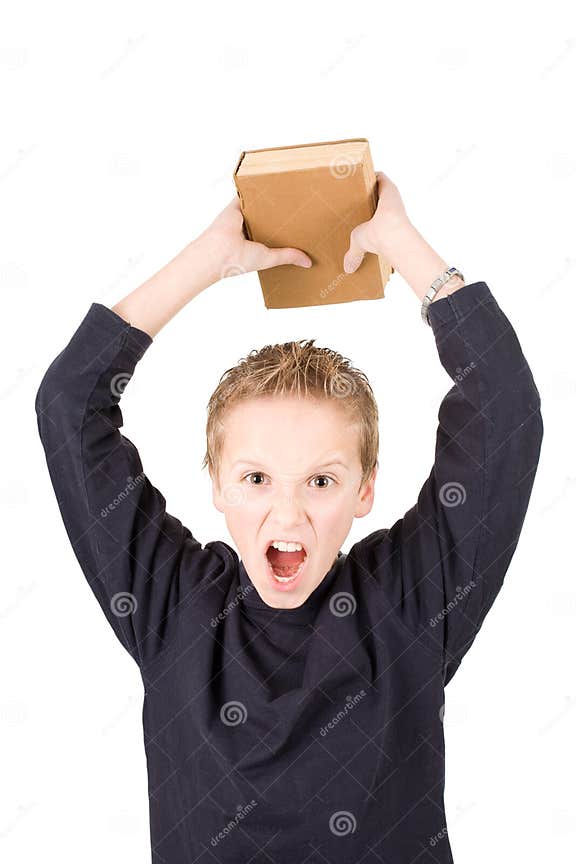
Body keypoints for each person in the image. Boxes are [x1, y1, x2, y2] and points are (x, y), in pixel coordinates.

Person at [35, 171, 543, 863]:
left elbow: (505, 403)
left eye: (322, 480)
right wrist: (209, 261)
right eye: (256, 478)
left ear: (364, 490)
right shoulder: (172, 607)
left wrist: (399, 240)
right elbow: (68, 405)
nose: (288, 512)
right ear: (216, 485)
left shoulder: (410, 602)